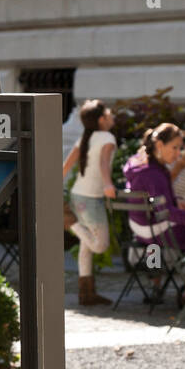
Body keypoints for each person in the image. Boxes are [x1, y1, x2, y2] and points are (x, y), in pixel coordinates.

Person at [124, 123, 185, 255]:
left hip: (138, 228)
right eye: (175, 147)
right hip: (157, 230)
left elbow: (157, 199)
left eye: (180, 148)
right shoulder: (152, 173)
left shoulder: (139, 163)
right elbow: (166, 212)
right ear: (160, 145)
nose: (179, 154)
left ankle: (158, 272)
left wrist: (175, 200)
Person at [62, 100, 117, 306]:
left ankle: (86, 293)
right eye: (109, 113)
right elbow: (104, 163)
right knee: (100, 245)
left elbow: (67, 165)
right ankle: (69, 222)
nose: (112, 115)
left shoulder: (86, 137)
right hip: (91, 199)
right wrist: (108, 184)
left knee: (86, 246)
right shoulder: (107, 137)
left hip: (77, 195)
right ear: (102, 119)